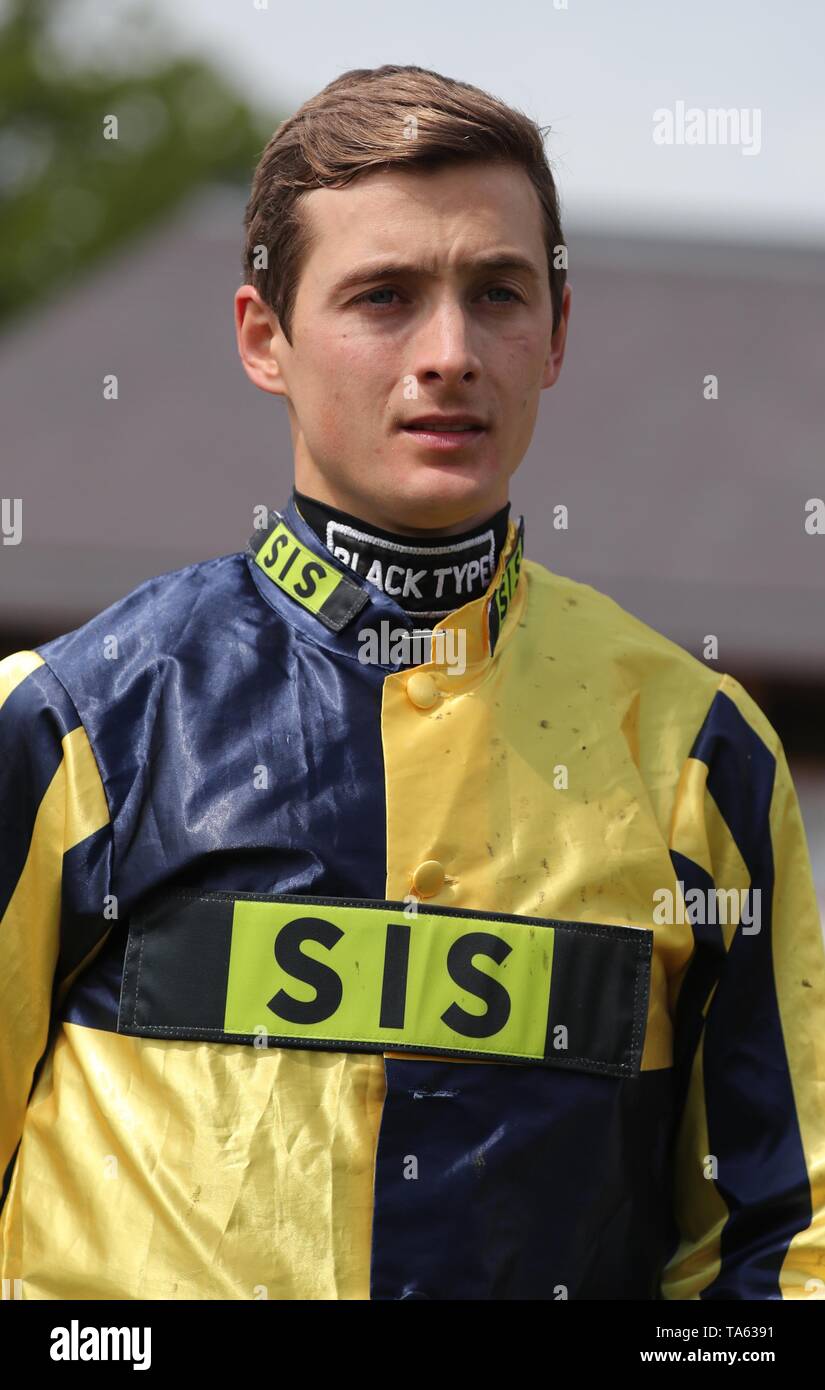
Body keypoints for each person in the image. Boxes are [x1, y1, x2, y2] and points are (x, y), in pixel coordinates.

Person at [1, 63, 823, 1302]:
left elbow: (784, 1235)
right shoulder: (76, 718)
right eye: (384, 296)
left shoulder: (703, 749)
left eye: (496, 293)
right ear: (263, 338)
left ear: (555, 334)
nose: (448, 353)